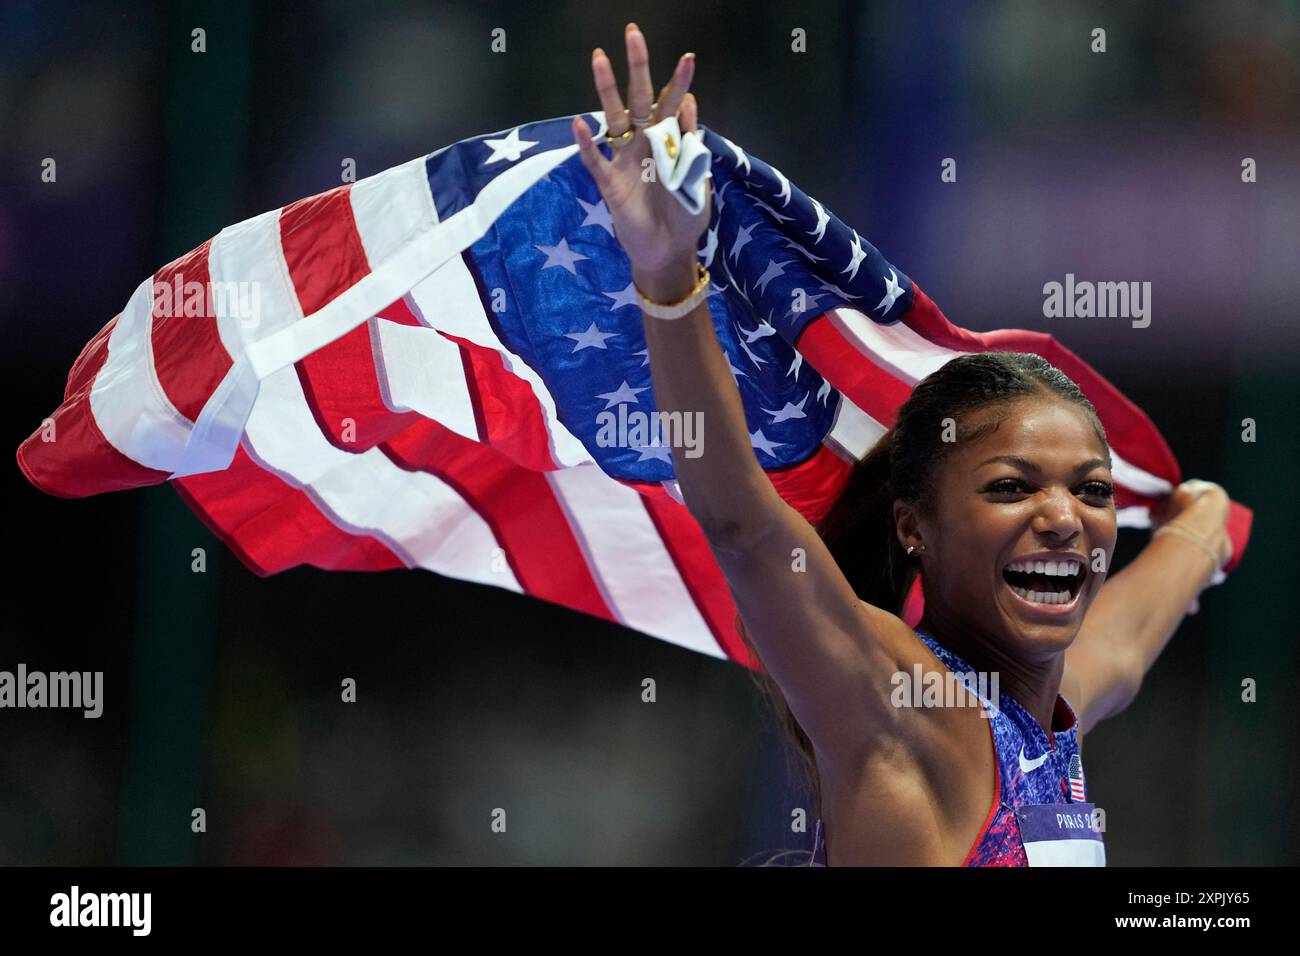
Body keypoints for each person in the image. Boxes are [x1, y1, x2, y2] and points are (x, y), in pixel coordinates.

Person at [572, 23, 1233, 866]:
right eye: (1011, 487)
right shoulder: (901, 703)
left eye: (1092, 489)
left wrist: (1202, 520)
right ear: (914, 524)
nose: (1064, 515)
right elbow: (747, 529)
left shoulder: (1053, 713)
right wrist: (667, 276)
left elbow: (1133, 635)